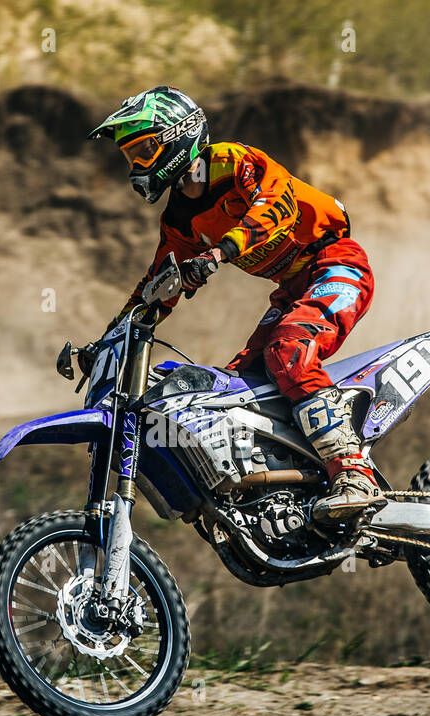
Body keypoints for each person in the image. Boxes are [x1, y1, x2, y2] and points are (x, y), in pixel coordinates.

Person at [88, 86, 382, 519]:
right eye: (131, 156)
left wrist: (220, 252)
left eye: (145, 150)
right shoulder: (179, 219)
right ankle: (288, 488)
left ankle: (355, 474)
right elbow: (157, 283)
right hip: (292, 289)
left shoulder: (233, 160)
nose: (136, 165)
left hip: (335, 263)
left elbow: (274, 206)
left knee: (290, 352)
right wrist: (110, 338)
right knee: (237, 387)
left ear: (179, 134)